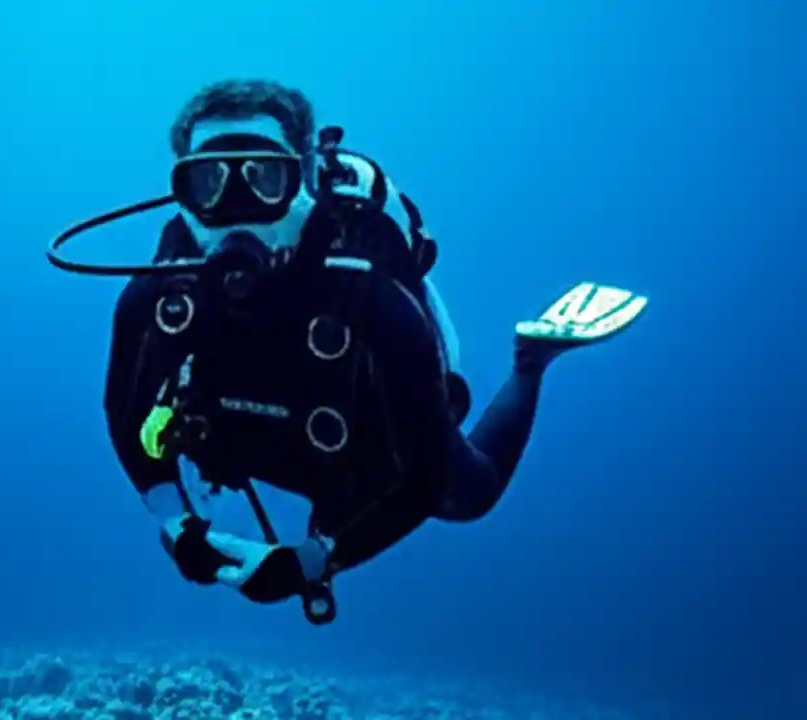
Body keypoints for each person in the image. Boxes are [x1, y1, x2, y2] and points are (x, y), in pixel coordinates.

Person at [47, 79, 647, 624]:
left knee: (469, 496)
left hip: (367, 444)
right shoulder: (156, 301)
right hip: (255, 442)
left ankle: (531, 359)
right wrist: (177, 525)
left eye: (265, 177)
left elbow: (423, 476)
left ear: (305, 183)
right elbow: (125, 420)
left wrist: (313, 560)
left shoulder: (368, 300)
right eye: (209, 183)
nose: (237, 212)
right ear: (183, 199)